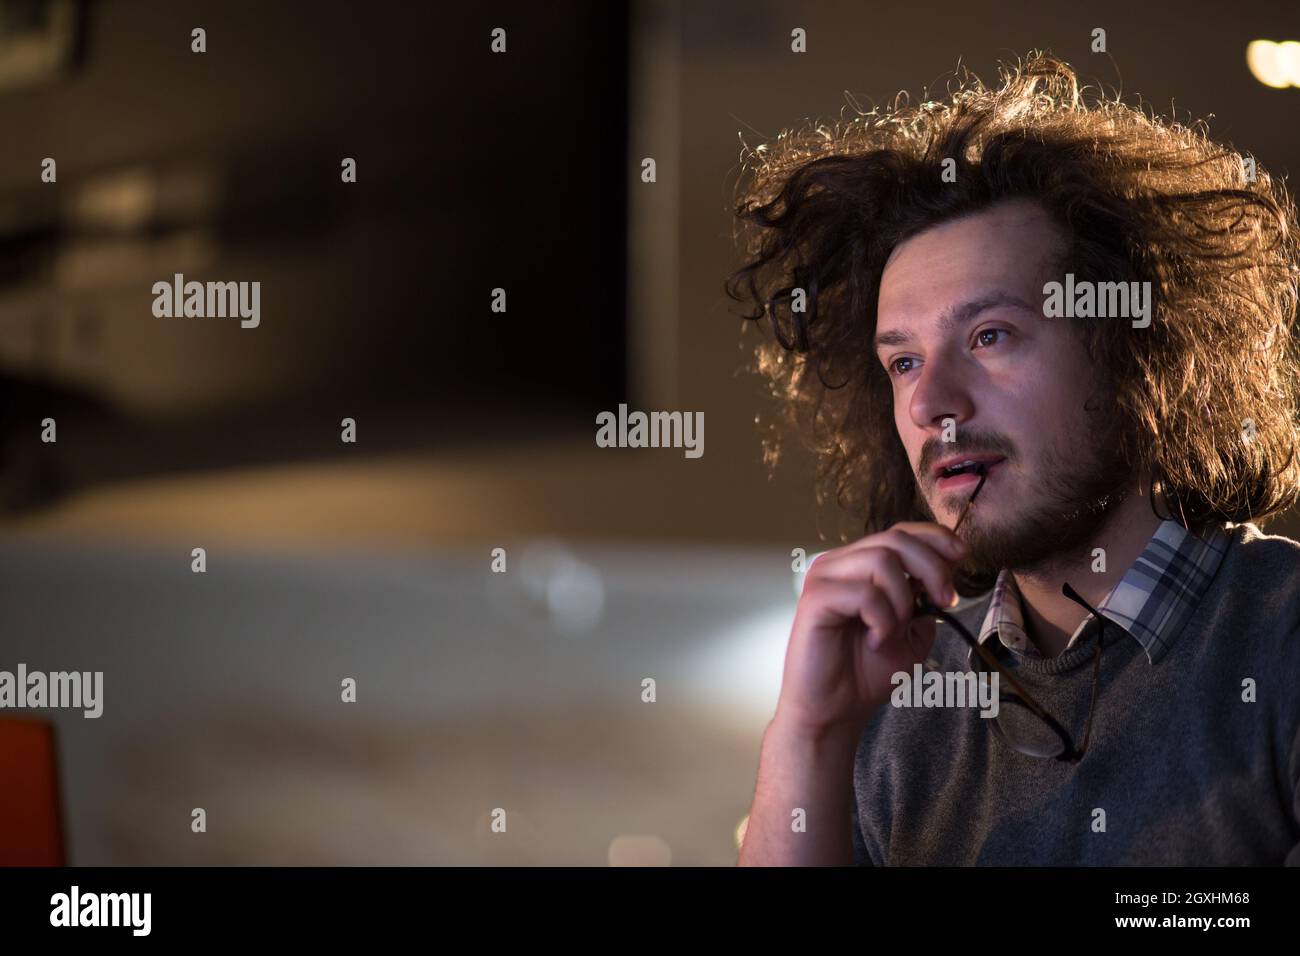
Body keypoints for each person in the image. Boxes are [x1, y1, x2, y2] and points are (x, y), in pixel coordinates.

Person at [726, 51, 1300, 865]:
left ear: (1135, 351)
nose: (931, 405)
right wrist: (811, 734)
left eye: (989, 336)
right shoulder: (895, 700)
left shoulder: (1282, 642)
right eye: (904, 362)